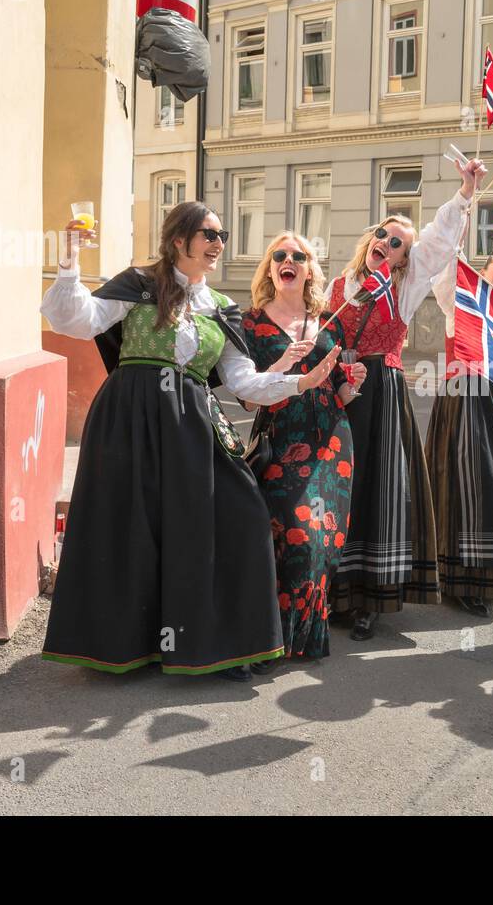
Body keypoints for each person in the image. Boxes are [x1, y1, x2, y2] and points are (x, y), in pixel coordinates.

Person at [40, 202, 339, 681]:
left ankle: (216, 646)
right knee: (132, 526)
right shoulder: (138, 286)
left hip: (193, 424)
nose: (219, 243)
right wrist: (69, 260)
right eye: (209, 233)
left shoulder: (220, 308)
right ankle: (126, 648)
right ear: (179, 240)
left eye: (221, 235)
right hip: (129, 419)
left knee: (240, 514)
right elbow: (76, 320)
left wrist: (300, 383)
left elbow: (243, 382)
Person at [325, 157, 487, 640]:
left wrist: (464, 194)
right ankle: (333, 587)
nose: (386, 243)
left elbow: (438, 241)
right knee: (338, 486)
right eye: (382, 233)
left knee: (376, 487)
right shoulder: (339, 284)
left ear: (403, 258)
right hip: (339, 387)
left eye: (397, 243)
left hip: (381, 391)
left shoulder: (407, 287)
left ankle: (369, 599)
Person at [241, 232, 367, 665]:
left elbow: (337, 390)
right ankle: (267, 637)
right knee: (293, 536)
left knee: (324, 541)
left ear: (310, 269)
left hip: (333, 442)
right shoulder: (252, 323)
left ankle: (306, 637)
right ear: (271, 268)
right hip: (284, 440)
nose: (288, 260)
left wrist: (351, 386)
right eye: (279, 255)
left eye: (298, 255)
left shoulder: (328, 319)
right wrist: (282, 364)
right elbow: (247, 396)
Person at [426, 253, 493, 617]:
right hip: (464, 403)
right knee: (464, 491)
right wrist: (463, 208)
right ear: (480, 274)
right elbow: (444, 269)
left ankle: (488, 579)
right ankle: (456, 581)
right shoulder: (462, 306)